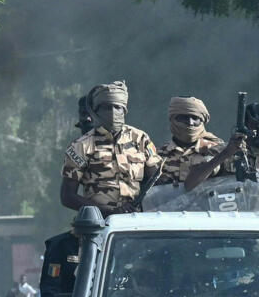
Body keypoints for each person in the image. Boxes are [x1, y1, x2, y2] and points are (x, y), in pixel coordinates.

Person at [60, 80, 162, 216]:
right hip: (99, 224)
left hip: (139, 221)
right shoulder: (81, 146)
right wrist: (108, 211)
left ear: (125, 110)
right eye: (107, 108)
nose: (113, 112)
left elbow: (157, 181)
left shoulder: (140, 139)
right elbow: (67, 196)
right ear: (96, 111)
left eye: (118, 107)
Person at [157, 96, 230, 186]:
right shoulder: (159, 156)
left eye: (195, 118)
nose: (190, 123)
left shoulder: (219, 150)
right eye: (184, 118)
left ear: (202, 120)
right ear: (173, 119)